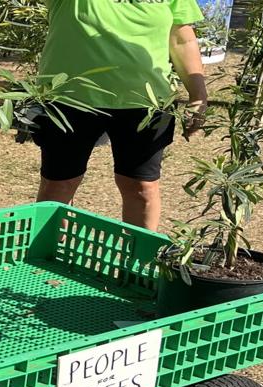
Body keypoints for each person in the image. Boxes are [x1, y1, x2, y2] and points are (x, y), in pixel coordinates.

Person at [33, 0, 209, 231]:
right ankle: (45, 257)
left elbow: (182, 38)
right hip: (70, 98)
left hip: (147, 103)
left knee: (143, 188)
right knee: (58, 185)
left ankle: (137, 263)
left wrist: (198, 95)